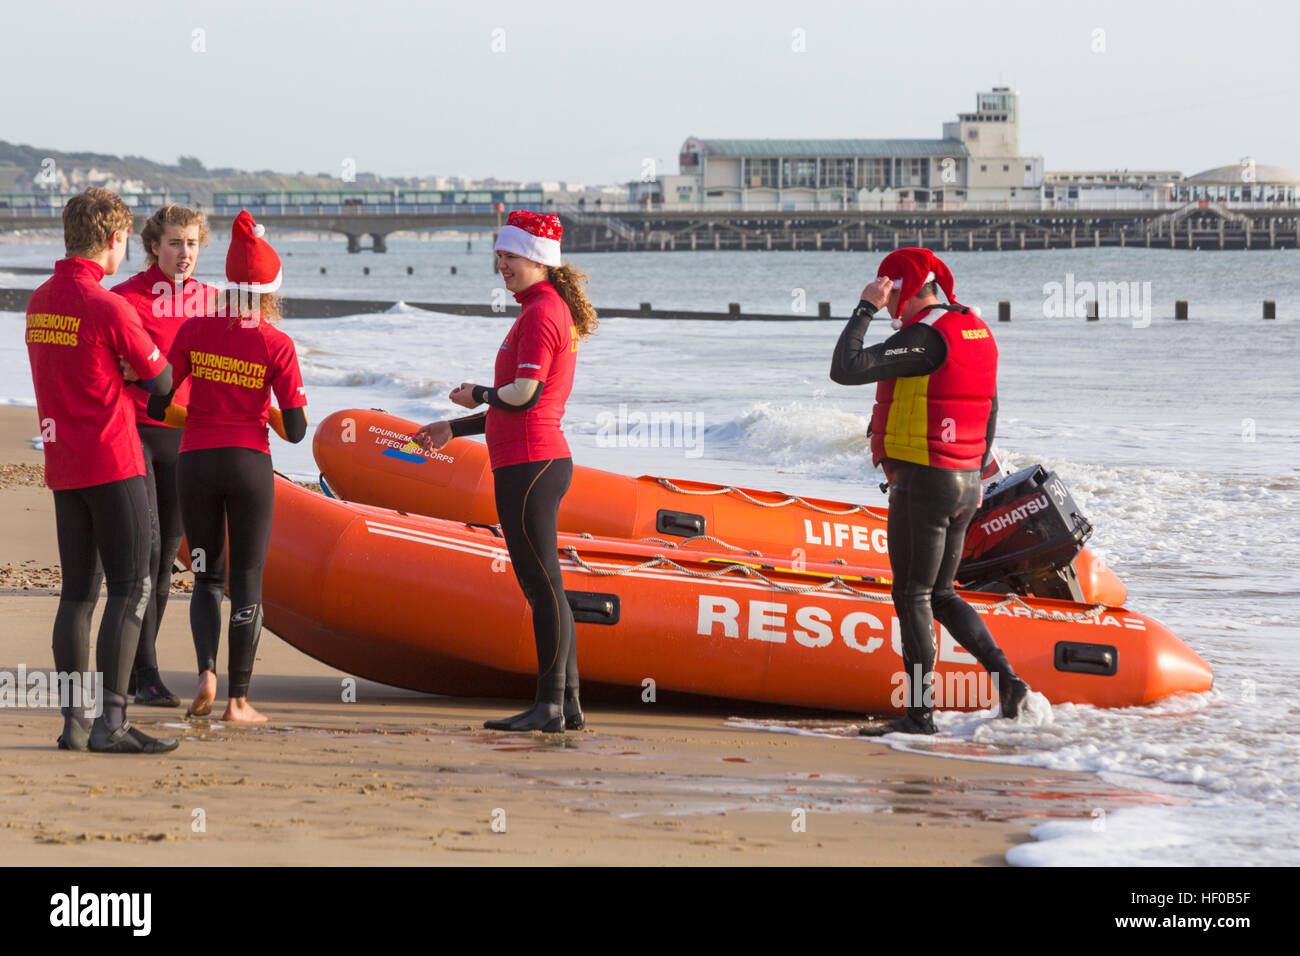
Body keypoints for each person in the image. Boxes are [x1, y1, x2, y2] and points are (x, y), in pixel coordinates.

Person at [829, 247, 1030, 735]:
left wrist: (864, 308)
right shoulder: (974, 329)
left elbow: (846, 367)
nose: (887, 296)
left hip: (925, 482)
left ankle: (920, 716)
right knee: (941, 593)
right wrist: (977, 474)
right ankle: (1009, 681)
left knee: (912, 594)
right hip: (962, 484)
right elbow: (990, 407)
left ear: (909, 287)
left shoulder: (927, 337)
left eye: (890, 287)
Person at [412, 211, 596, 733]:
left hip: (532, 463)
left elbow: (524, 395)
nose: (502, 267)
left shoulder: (541, 314)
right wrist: (456, 425)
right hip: (533, 460)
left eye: (510, 257)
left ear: (538, 259)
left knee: (543, 589)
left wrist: (476, 394)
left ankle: (550, 706)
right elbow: (515, 401)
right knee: (549, 587)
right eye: (499, 257)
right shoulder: (544, 307)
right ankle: (569, 703)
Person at [24, 187, 179, 754]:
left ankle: (74, 722)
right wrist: (127, 369)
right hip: (114, 461)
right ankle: (113, 724)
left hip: (64, 465)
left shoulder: (39, 301)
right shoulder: (109, 304)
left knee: (77, 596)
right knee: (132, 587)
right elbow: (160, 381)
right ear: (115, 240)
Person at [148, 211, 308, 723]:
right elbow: (299, 430)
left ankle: (205, 674)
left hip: (194, 463)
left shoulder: (194, 329)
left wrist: (203, 413)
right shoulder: (276, 344)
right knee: (247, 580)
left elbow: (157, 404)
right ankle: (238, 701)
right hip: (248, 466)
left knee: (205, 578)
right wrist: (261, 408)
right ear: (269, 292)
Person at [112, 204, 220, 708]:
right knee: (146, 552)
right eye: (175, 243)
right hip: (136, 432)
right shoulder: (125, 298)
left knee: (166, 562)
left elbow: (226, 366)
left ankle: (143, 671)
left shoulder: (214, 301)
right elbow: (107, 366)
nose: (185, 254)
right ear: (154, 245)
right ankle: (142, 671)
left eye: (193, 244)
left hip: (187, 437)